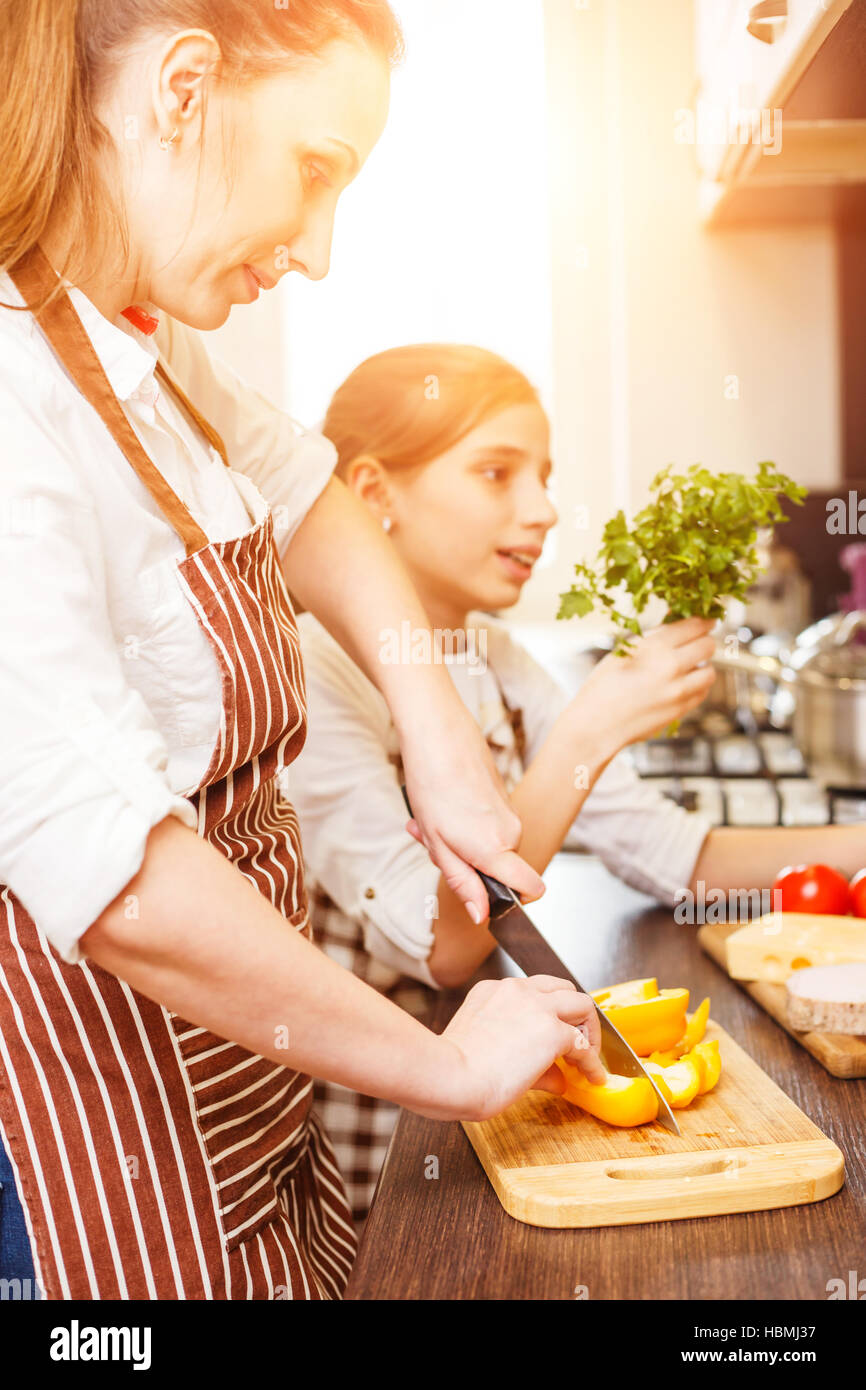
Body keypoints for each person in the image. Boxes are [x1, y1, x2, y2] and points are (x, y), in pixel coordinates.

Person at [0, 2, 609, 1301]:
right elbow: (120, 882)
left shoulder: (144, 359)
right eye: (315, 171)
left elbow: (310, 496)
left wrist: (435, 724)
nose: (320, 249)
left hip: (241, 1114)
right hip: (86, 1172)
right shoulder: (11, 399)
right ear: (182, 87)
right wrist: (444, 1065)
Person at [294, 342, 866, 1222]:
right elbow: (443, 946)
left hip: (506, 1109)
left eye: (546, 476)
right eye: (497, 473)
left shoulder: (494, 657)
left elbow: (680, 855)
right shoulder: (314, 677)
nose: (545, 509)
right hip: (389, 1159)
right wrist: (590, 728)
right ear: (373, 494)